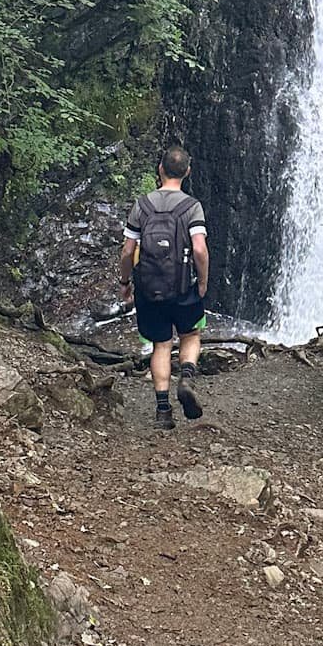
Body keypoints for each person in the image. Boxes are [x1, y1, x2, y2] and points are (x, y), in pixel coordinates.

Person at [119, 142, 209, 430]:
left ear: (160, 169)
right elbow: (199, 249)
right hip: (184, 287)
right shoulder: (191, 207)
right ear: (188, 172)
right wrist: (203, 282)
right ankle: (187, 377)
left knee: (160, 344)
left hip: (149, 287)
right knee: (191, 334)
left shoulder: (142, 205)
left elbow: (126, 251)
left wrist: (125, 283)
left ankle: (162, 412)